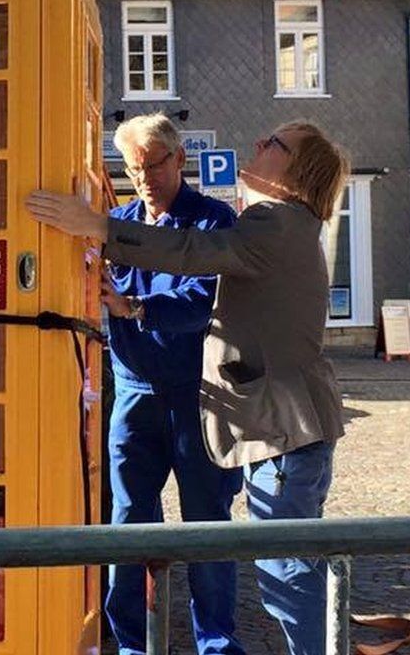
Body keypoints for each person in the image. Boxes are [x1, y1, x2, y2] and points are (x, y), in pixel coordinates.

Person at [26, 121, 350, 655]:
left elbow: (190, 255)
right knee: (277, 566)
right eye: (133, 167)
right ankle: (135, 641)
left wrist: (99, 229)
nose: (257, 144)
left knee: (286, 574)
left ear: (295, 169)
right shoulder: (283, 222)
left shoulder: (267, 223)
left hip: (276, 429)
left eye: (271, 144)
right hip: (245, 418)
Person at [101, 114, 243, 655]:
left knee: (207, 524)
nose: (145, 180)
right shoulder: (117, 223)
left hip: (196, 394)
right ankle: (134, 645)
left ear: (179, 159)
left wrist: (132, 306)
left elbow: (204, 302)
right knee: (128, 524)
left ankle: (217, 644)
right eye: (133, 171)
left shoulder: (212, 221)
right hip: (132, 391)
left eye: (154, 166)